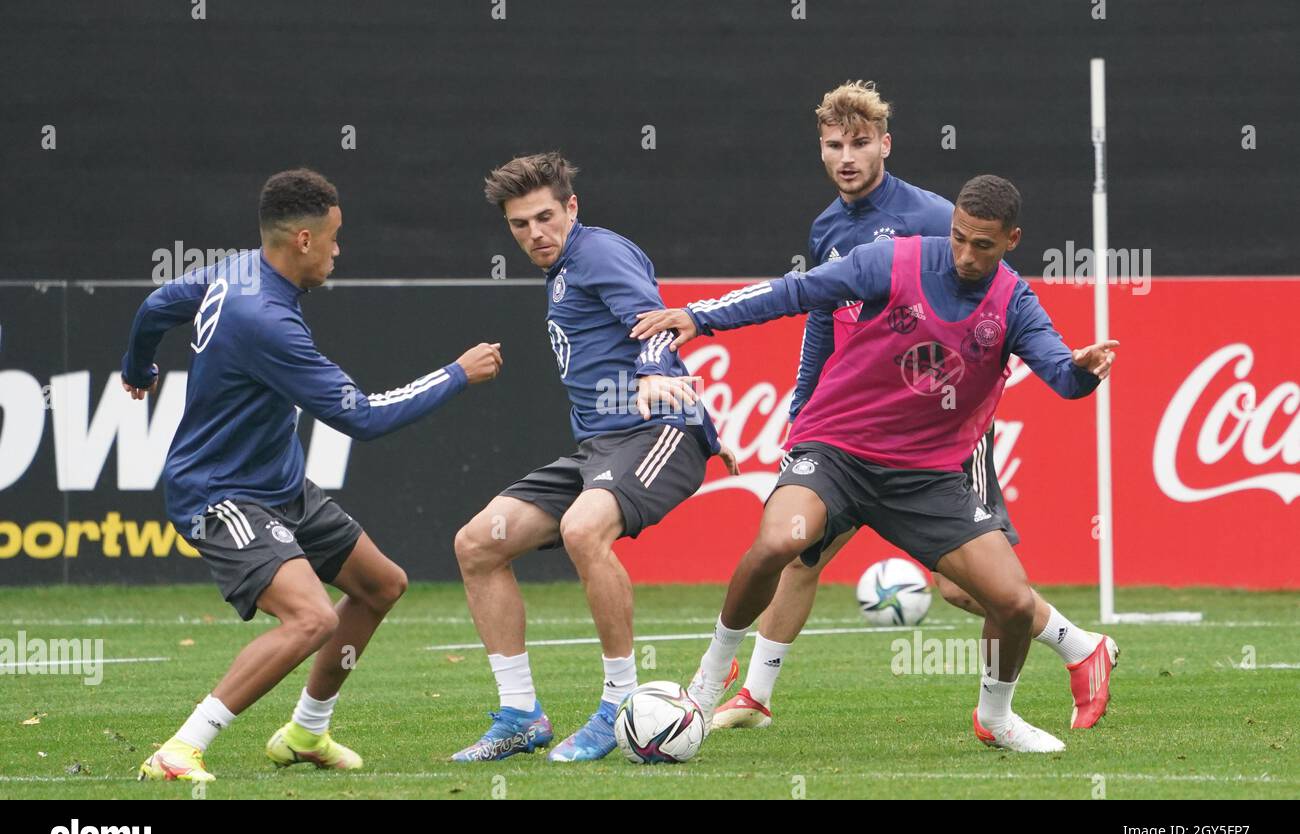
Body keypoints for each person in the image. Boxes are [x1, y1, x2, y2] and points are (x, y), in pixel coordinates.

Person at [634, 175, 1118, 752]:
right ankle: (710, 682)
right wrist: (700, 317)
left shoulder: (1014, 302)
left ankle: (997, 718)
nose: (965, 254)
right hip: (837, 450)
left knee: (1011, 602)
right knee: (779, 543)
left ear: (1012, 239)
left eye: (983, 245)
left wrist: (1084, 369)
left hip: (926, 478)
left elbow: (1062, 376)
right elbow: (798, 291)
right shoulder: (894, 261)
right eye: (959, 237)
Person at [122, 168, 502, 782]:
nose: (337, 249)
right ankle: (180, 748)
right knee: (312, 618)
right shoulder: (267, 322)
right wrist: (457, 373)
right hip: (222, 494)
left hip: (279, 485)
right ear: (302, 239)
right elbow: (365, 417)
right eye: (333, 237)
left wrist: (137, 368)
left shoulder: (237, 268)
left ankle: (306, 732)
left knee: (381, 584)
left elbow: (156, 306)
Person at [450, 152, 737, 763]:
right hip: (600, 449)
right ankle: (520, 714)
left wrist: (659, 373)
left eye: (546, 217)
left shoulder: (599, 252)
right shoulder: (561, 270)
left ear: (572, 207)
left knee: (584, 529)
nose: (535, 233)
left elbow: (654, 321)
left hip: (659, 431)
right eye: (520, 224)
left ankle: (619, 705)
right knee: (478, 544)